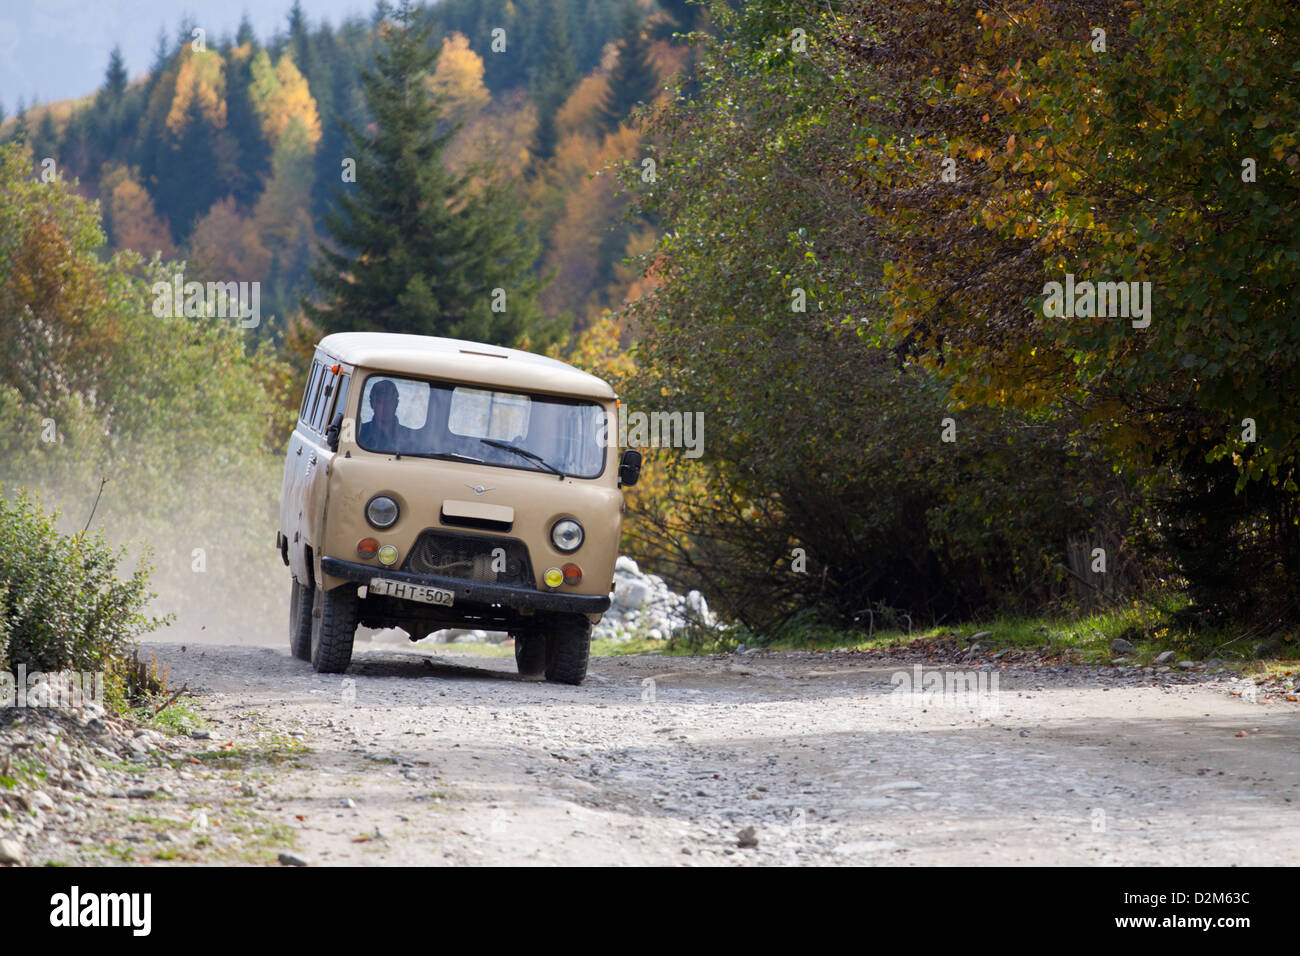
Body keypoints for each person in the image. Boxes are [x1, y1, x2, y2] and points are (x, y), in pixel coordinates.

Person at [359, 379, 420, 452]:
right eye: (380, 402)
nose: (385, 406)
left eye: (390, 401)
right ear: (372, 404)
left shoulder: (410, 438)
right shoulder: (359, 434)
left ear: (396, 404)